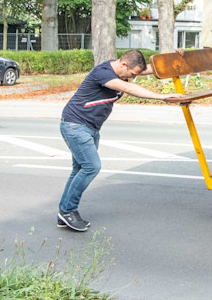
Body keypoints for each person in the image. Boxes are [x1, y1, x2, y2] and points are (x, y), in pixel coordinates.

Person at [58, 50, 185, 232]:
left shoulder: (124, 70)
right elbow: (128, 89)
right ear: (123, 64)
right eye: (132, 74)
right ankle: (68, 210)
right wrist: (162, 97)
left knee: (79, 169)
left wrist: (175, 57)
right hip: (75, 125)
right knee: (91, 167)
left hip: (90, 127)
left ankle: (64, 213)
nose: (133, 78)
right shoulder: (102, 72)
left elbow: (152, 68)